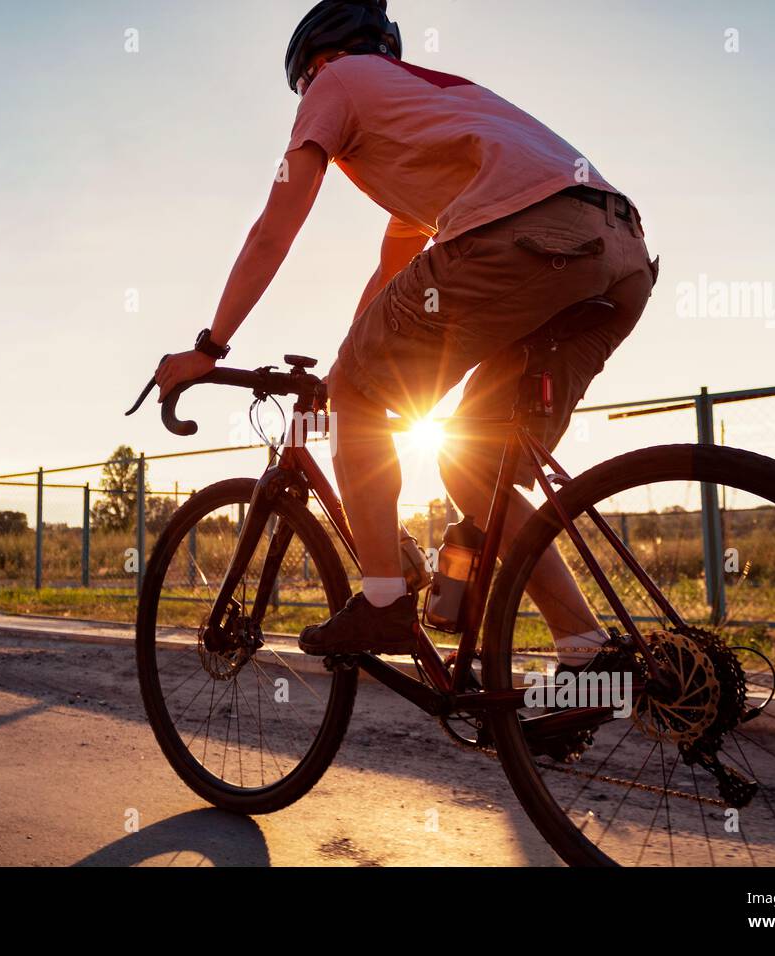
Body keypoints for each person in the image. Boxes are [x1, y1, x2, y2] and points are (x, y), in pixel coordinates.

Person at [155, 0, 657, 662]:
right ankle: (589, 650)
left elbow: (276, 225)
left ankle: (386, 602)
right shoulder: (433, 116)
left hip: (530, 235)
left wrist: (208, 349)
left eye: (302, 87)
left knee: (364, 394)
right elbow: (392, 280)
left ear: (317, 64)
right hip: (619, 257)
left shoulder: (338, 81)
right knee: (476, 466)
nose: (308, 99)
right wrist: (344, 375)